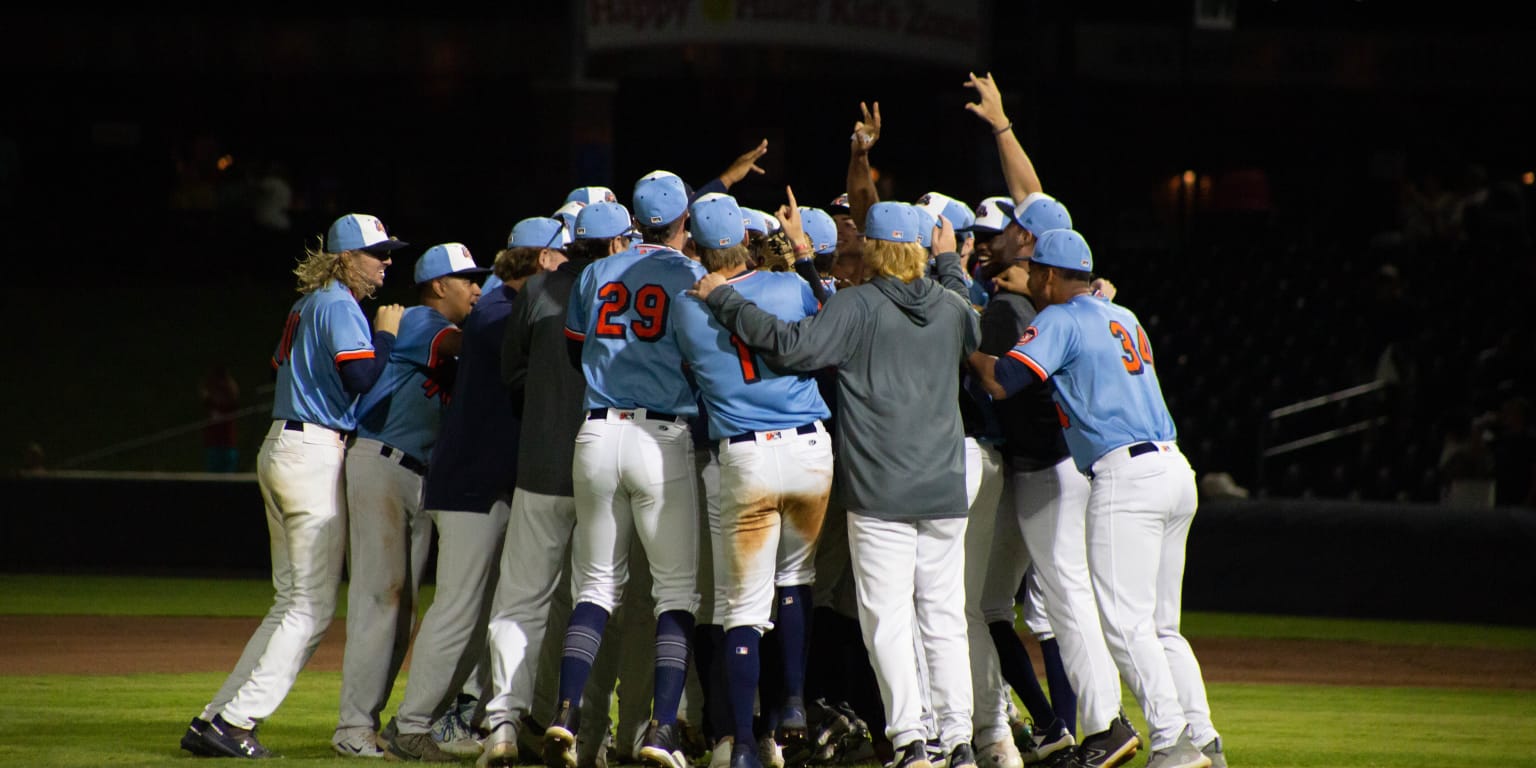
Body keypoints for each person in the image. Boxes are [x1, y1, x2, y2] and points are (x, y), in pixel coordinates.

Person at [691, 196, 981, 768]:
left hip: (881, 492)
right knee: (945, 619)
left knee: (889, 620)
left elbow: (793, 347)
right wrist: (950, 263)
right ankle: (959, 739)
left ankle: (911, 740)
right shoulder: (952, 308)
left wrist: (723, 297)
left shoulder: (857, 304)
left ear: (871, 247)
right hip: (945, 490)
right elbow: (970, 324)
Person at [969, 228, 1225, 768]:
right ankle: (1203, 738)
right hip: (1175, 469)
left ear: (1050, 275)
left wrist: (962, 342)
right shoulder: (1123, 315)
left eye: (1037, 271)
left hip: (1125, 474)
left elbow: (1002, 380)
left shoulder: (1060, 318)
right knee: (1162, 626)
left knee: (1126, 622)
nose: (1032, 278)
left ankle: (1172, 741)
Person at [179, 213, 407, 758]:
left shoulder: (307, 304)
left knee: (290, 603)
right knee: (310, 608)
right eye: (377, 253)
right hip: (312, 453)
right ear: (346, 258)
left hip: (283, 444)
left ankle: (214, 719)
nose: (387, 262)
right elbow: (361, 376)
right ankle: (235, 722)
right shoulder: (340, 305)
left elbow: (277, 364)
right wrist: (386, 337)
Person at [545, 170, 708, 768]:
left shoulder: (595, 272)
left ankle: (566, 715)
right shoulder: (690, 273)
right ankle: (660, 730)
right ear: (684, 218)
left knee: (594, 588)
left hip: (597, 430)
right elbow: (703, 357)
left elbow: (576, 349)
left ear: (634, 219)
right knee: (675, 594)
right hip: (660, 434)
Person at [671, 193, 834, 768]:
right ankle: (791, 704)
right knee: (796, 579)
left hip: (744, 456)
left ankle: (741, 743)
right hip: (809, 448)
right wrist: (801, 253)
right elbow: (833, 314)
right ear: (747, 237)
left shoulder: (686, 307)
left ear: (695, 247)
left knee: (742, 607)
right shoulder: (789, 286)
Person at [478, 208, 635, 767]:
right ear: (616, 241)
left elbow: (513, 374)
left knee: (520, 601)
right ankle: (588, 733)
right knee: (600, 601)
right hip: (609, 469)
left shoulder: (538, 289)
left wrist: (548, 396)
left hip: (543, 464)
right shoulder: (632, 292)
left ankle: (503, 724)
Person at [331, 242, 487, 758]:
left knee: (402, 608)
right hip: (381, 460)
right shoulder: (421, 321)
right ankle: (352, 727)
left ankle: (375, 724)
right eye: (468, 280)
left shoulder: (440, 325)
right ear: (439, 286)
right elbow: (465, 346)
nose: (476, 289)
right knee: (380, 599)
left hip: (417, 473)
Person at [383, 239, 527, 762]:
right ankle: (411, 724)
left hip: (478, 479)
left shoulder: (492, 312)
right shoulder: (489, 317)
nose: (475, 287)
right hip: (466, 481)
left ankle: (428, 719)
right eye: (467, 279)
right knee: (456, 609)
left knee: (477, 613)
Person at [200, 364, 241, 473]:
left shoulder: (230, 401)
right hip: (214, 446)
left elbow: (233, 399)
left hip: (227, 446)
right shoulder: (211, 402)